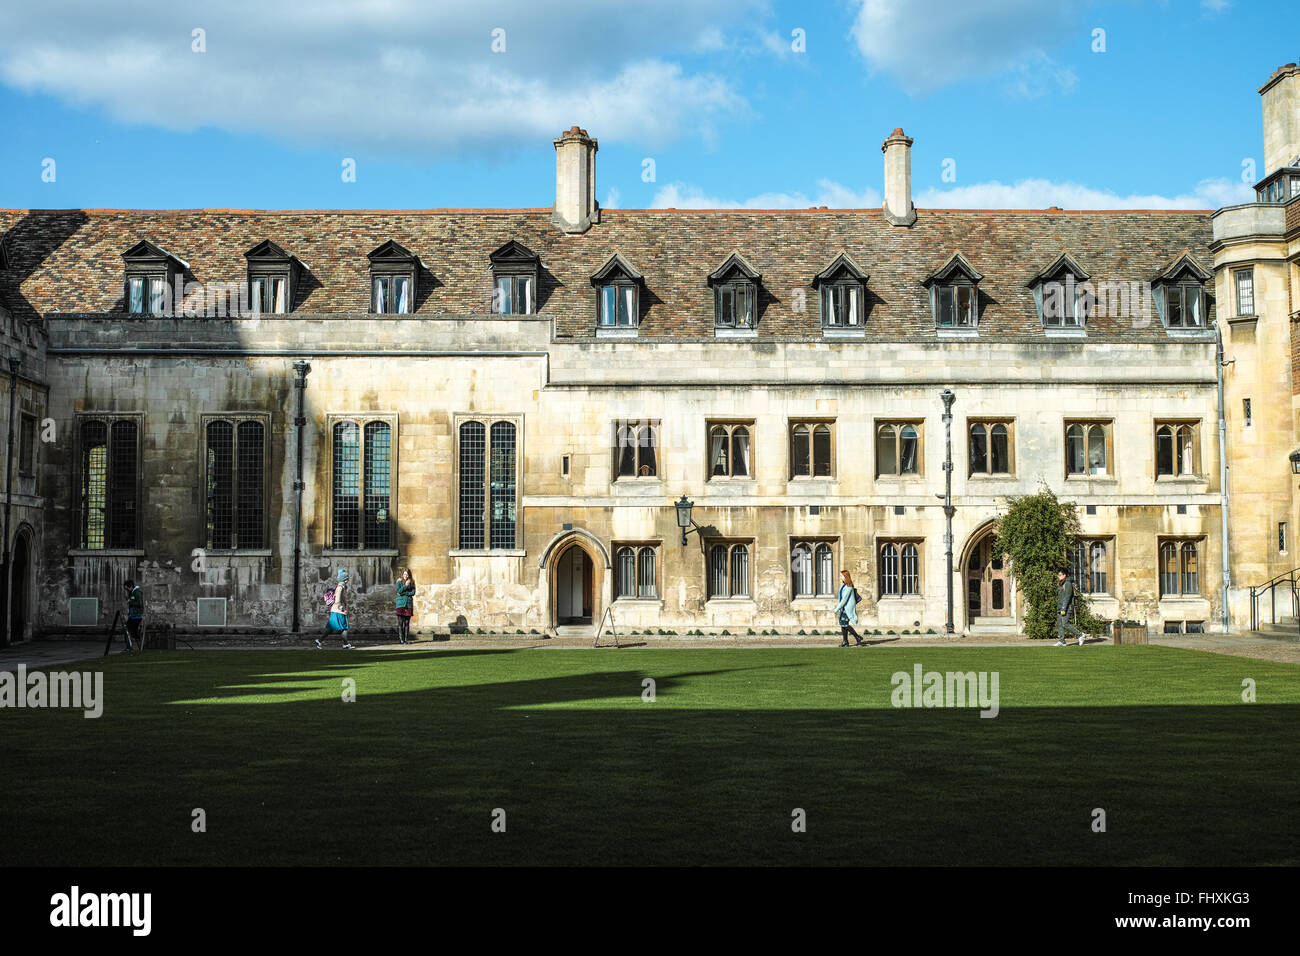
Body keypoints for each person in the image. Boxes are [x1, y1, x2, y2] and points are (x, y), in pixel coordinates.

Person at [317, 568, 354, 650]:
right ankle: (345, 644)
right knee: (344, 627)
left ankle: (319, 641)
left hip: (335, 610)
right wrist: (341, 609)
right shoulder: (340, 587)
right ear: (344, 579)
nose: (348, 580)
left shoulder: (341, 586)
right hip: (338, 610)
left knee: (330, 629)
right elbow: (337, 599)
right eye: (347, 578)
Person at [1055, 568, 1086, 646]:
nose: (1058, 576)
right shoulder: (1061, 584)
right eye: (1058, 575)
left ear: (1064, 575)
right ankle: (1062, 641)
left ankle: (1080, 635)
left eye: (1060, 575)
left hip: (1066, 607)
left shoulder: (1067, 584)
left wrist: (1063, 608)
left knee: (1065, 624)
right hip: (1060, 607)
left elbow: (1067, 597)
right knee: (1060, 624)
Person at [835, 570, 865, 647]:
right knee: (843, 625)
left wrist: (837, 608)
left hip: (846, 609)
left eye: (841, 576)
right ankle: (845, 642)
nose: (840, 577)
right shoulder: (844, 586)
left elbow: (844, 600)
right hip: (843, 609)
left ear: (846, 577)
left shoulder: (849, 588)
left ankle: (857, 637)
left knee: (845, 625)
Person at [395, 568, 416, 644]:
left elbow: (413, 593)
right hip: (400, 604)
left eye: (407, 574)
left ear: (409, 575)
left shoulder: (412, 582)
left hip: (408, 604)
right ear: (402, 574)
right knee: (400, 623)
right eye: (404, 574)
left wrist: (404, 593)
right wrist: (405, 586)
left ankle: (406, 640)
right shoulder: (399, 582)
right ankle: (401, 640)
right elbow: (398, 591)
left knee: (407, 623)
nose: (405, 576)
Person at [123, 579, 144, 652]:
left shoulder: (137, 592)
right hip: (132, 615)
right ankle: (130, 646)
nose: (127, 590)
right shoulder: (131, 593)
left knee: (129, 630)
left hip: (136, 616)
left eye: (127, 588)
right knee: (128, 630)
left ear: (131, 586)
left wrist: (130, 602)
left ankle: (132, 646)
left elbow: (139, 604)